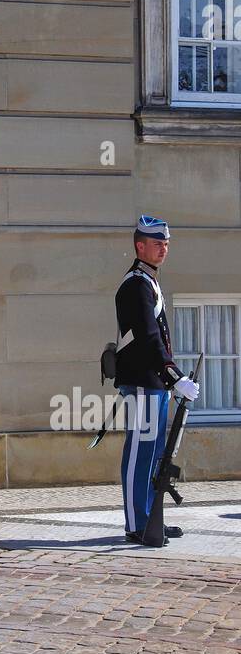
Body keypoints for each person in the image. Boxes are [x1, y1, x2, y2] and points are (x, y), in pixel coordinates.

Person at [114, 215, 199, 546]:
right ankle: (137, 523)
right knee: (140, 452)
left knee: (153, 454)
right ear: (140, 246)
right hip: (142, 382)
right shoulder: (136, 284)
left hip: (153, 383)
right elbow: (149, 338)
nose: (163, 248)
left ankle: (151, 519)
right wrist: (174, 376)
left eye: (166, 243)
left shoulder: (147, 281)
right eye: (156, 243)